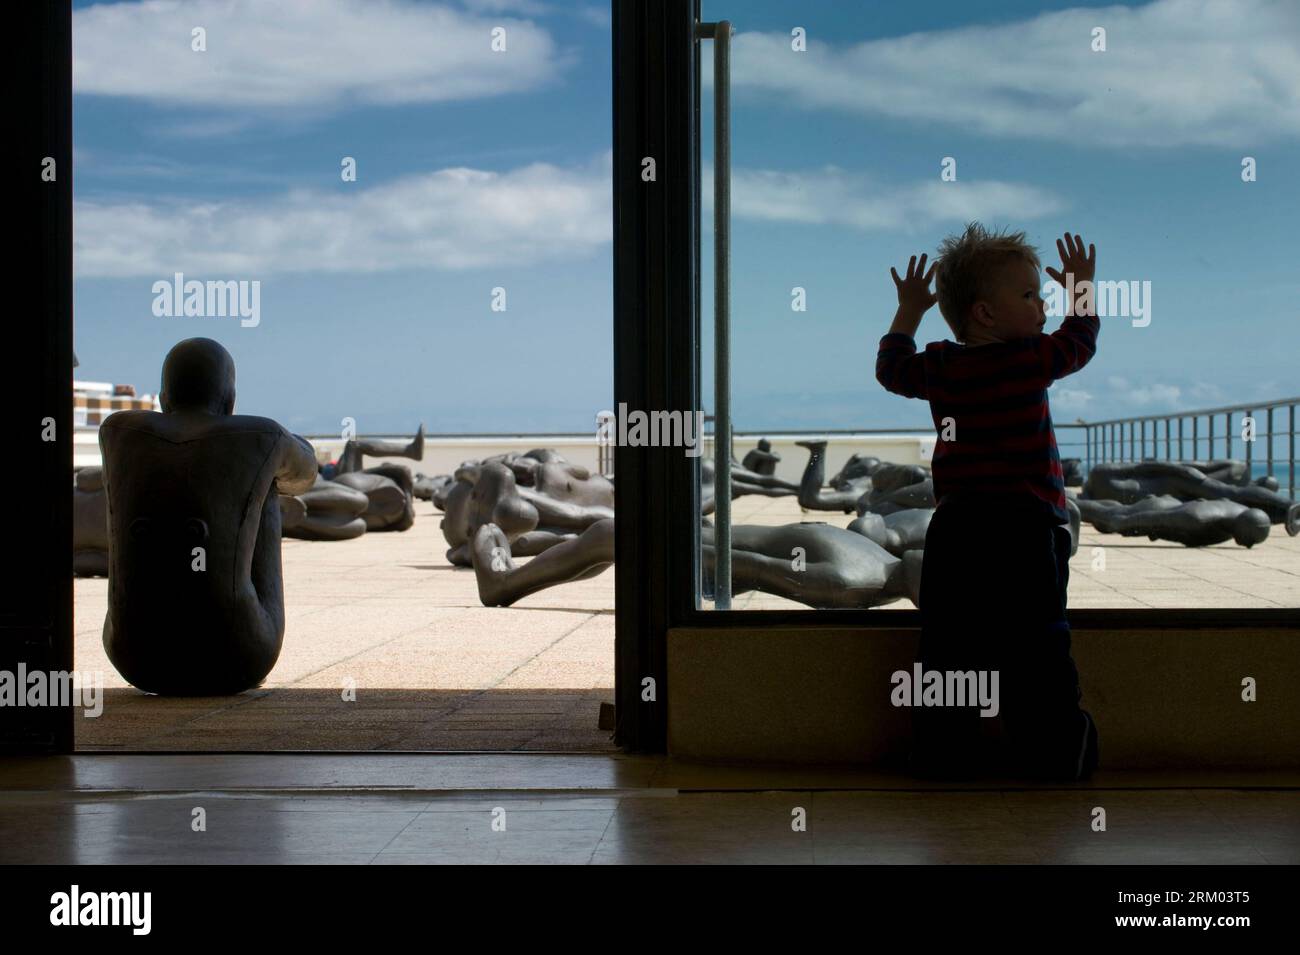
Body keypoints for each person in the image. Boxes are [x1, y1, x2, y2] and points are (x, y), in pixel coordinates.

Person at [876, 224, 1101, 780]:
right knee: (1038, 647)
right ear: (984, 313)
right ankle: (1050, 755)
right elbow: (1082, 339)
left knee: (949, 646)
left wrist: (909, 310)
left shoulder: (941, 366)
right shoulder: (1030, 360)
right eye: (1029, 295)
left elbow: (890, 369)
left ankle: (941, 757)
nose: (1042, 305)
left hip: (958, 530)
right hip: (1027, 528)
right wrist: (1081, 290)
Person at [99, 338, 318, 694]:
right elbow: (306, 474)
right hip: (238, 655)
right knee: (264, 486)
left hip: (135, 655)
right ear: (229, 399)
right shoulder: (261, 435)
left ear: (162, 398)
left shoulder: (118, 431)